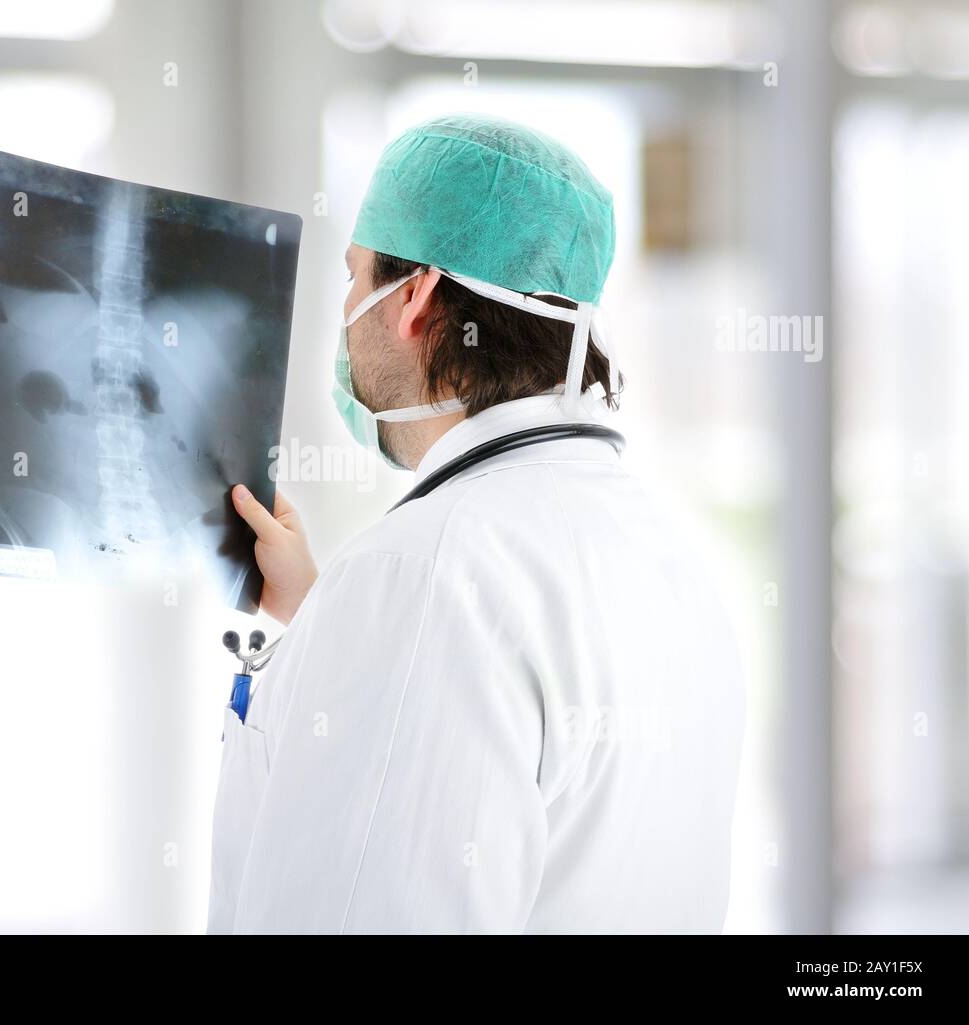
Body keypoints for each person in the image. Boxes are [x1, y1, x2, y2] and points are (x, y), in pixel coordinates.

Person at [208, 113, 745, 934]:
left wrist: (369, 613)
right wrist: (327, 625)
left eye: (354, 278)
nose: (346, 309)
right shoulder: (670, 555)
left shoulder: (423, 573)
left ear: (414, 296)